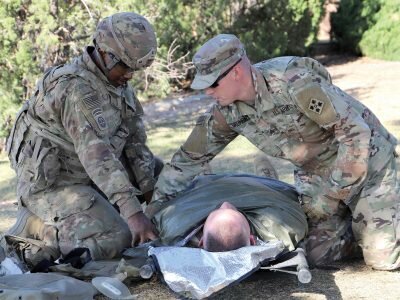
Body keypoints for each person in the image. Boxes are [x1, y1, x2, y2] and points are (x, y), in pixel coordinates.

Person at [149, 34, 400, 270]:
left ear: (236, 72)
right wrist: (151, 213)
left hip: (370, 164)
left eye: (212, 83)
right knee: (316, 253)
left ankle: (382, 211)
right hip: (318, 174)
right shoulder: (227, 112)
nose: (207, 91)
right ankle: (363, 220)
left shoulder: (293, 81)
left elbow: (356, 134)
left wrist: (334, 194)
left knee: (382, 259)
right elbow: (188, 160)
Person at [5, 12, 162, 263]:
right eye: (125, 66)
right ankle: (37, 231)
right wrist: (133, 214)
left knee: (162, 176)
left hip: (88, 177)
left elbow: (135, 142)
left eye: (135, 68)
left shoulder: (118, 85)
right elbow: (97, 157)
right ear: (105, 54)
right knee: (117, 238)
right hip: (56, 186)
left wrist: (154, 197)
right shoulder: (75, 88)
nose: (130, 75)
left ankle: (101, 211)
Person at [151, 174, 307, 252]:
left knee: (202, 179)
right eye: (233, 210)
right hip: (264, 186)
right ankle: (267, 173)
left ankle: (207, 175)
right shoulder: (284, 227)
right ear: (252, 240)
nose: (225, 204)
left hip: (203, 186)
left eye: (217, 211)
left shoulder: (173, 226)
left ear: (201, 242)